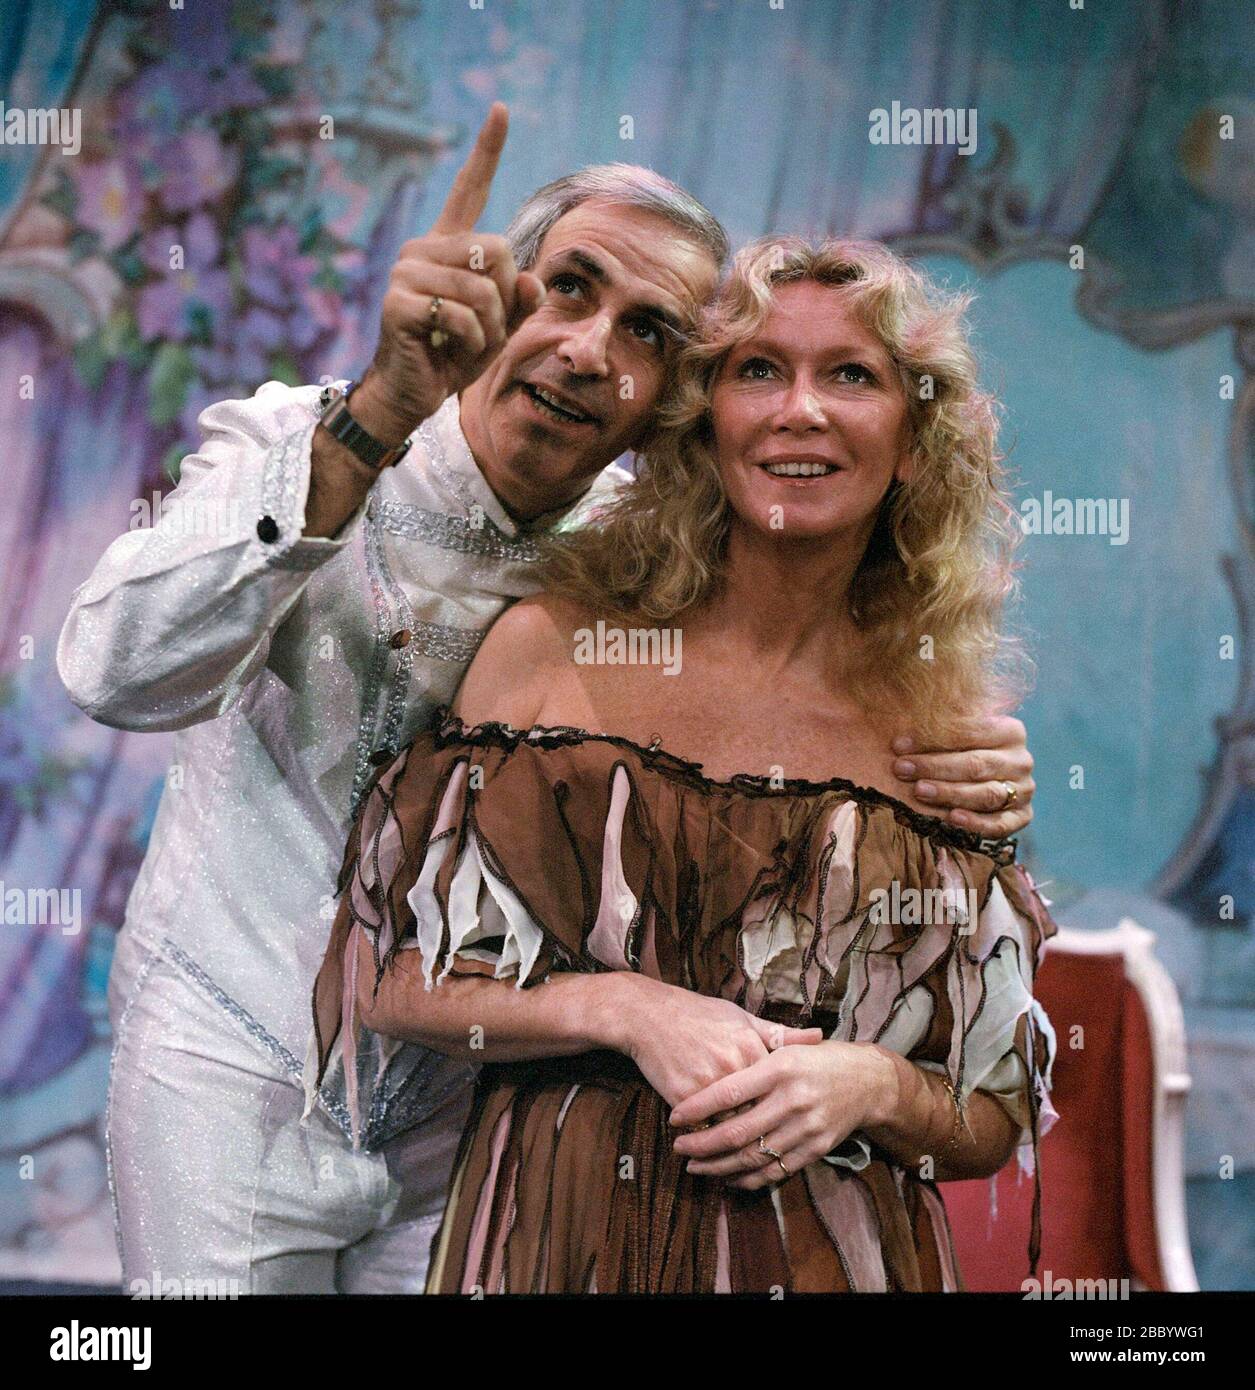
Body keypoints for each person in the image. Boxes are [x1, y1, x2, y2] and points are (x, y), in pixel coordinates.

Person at [58, 100, 1035, 1293]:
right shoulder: (309, 441)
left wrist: (966, 754)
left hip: (472, 1119)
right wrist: (374, 417)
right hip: (232, 1070)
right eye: (567, 290)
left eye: (647, 332)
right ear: (496, 290)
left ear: (671, 398)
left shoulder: (631, 569)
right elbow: (113, 672)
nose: (588, 350)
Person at [310, 234, 1060, 1294]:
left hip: (833, 1258)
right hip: (553, 1243)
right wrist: (622, 1008)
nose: (798, 409)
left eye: (850, 374)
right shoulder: (554, 643)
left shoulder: (947, 733)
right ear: (705, 425)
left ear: (912, 442)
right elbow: (398, 982)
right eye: (758, 369)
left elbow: (987, 1116)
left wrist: (874, 1084)